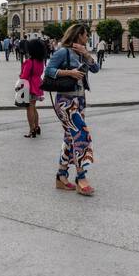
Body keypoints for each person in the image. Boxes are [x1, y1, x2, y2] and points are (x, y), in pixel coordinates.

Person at [45, 24, 100, 196]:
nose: (87, 37)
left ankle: (61, 176)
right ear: (79, 35)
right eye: (86, 35)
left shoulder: (81, 53)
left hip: (80, 99)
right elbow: (48, 70)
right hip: (65, 101)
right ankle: (81, 178)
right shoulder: (64, 52)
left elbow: (95, 69)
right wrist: (69, 73)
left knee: (70, 137)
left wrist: (86, 54)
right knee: (81, 135)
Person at [20, 37, 47, 138]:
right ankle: (37, 126)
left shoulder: (29, 61)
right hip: (38, 84)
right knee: (34, 106)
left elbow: (24, 76)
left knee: (29, 108)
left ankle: (32, 129)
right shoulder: (40, 61)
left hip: (29, 86)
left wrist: (20, 82)